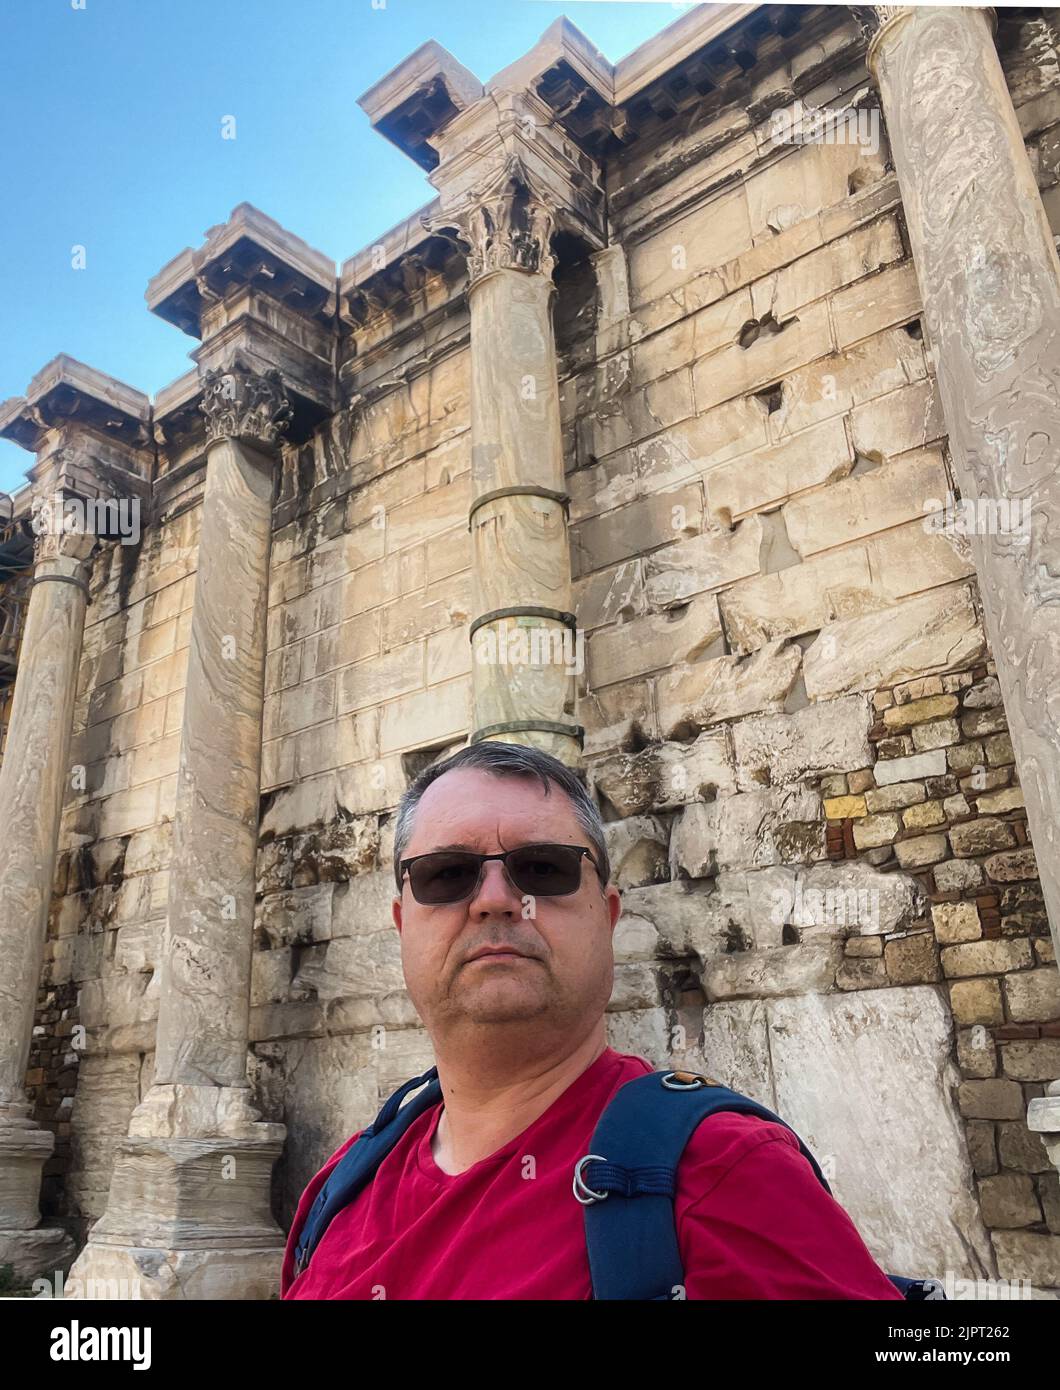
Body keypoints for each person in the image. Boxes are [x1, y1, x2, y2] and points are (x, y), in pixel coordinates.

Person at [282, 740, 901, 1300]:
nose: (497, 898)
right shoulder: (338, 1191)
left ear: (607, 918)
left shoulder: (723, 1173)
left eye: (542, 869)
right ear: (402, 926)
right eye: (447, 874)